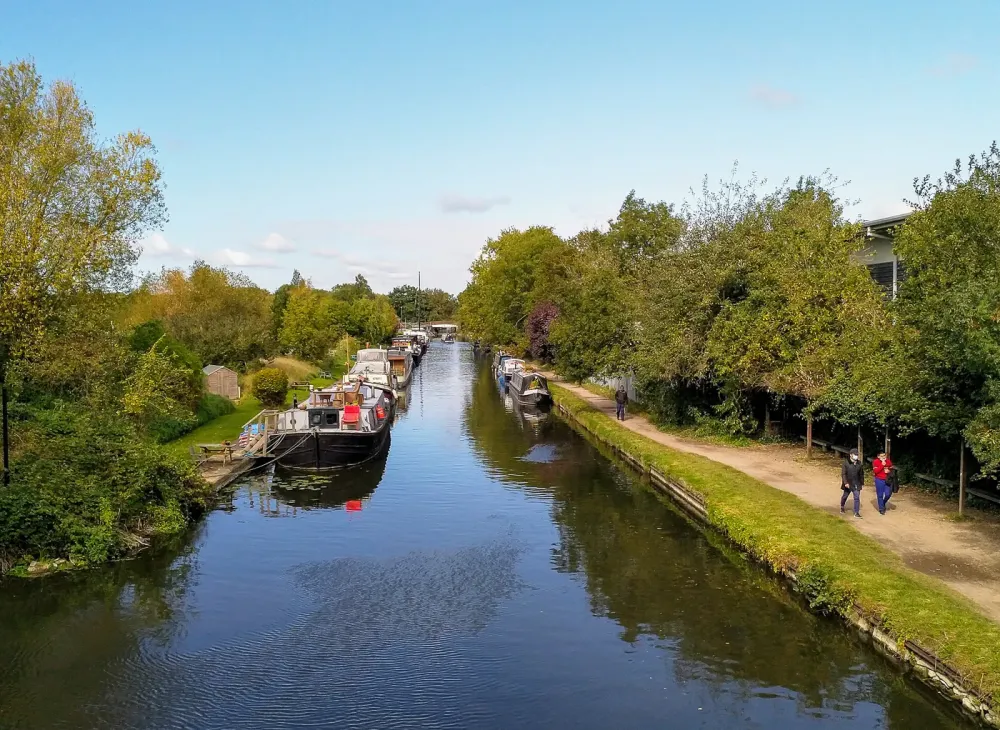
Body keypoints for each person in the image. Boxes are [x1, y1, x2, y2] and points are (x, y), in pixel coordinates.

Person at [841, 448, 864, 518]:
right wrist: (845, 483)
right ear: (851, 455)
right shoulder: (846, 463)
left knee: (857, 497)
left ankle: (856, 512)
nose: (856, 456)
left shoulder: (859, 463)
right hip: (848, 483)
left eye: (857, 454)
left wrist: (862, 482)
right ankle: (842, 506)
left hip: (857, 483)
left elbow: (861, 474)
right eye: (855, 454)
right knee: (845, 496)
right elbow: (843, 474)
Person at [873, 451, 894, 515]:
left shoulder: (888, 461)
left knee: (888, 494)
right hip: (879, 480)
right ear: (878, 456)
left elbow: (891, 468)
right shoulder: (875, 462)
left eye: (884, 456)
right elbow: (876, 471)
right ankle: (881, 509)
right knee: (880, 495)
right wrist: (882, 464)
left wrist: (889, 471)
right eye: (881, 456)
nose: (883, 457)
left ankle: (883, 503)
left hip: (887, 480)